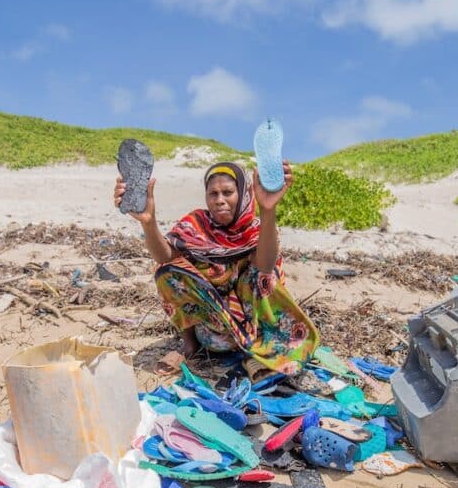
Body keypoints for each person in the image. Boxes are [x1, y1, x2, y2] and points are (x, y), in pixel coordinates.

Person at [113, 160, 319, 378]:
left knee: (263, 278)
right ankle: (189, 345)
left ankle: (256, 351)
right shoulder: (197, 225)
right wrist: (148, 221)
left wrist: (268, 210)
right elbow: (165, 256)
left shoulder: (258, 229)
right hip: (212, 331)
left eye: (228, 192)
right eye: (213, 194)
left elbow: (265, 267)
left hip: (256, 327)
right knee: (168, 271)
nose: (220, 200)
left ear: (243, 194)